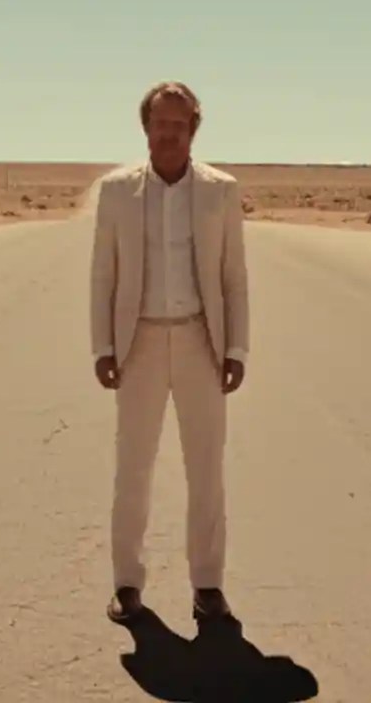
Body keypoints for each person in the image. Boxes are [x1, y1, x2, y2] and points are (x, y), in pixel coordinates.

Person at [88, 81, 250, 625]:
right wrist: (103, 346)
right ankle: (127, 583)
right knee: (132, 467)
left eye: (179, 126)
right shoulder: (116, 192)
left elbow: (234, 276)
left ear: (193, 131)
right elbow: (103, 275)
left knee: (206, 469)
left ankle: (208, 585)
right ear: (146, 128)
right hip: (140, 345)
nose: (168, 135)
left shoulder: (221, 192)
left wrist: (236, 348)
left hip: (202, 340)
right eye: (160, 124)